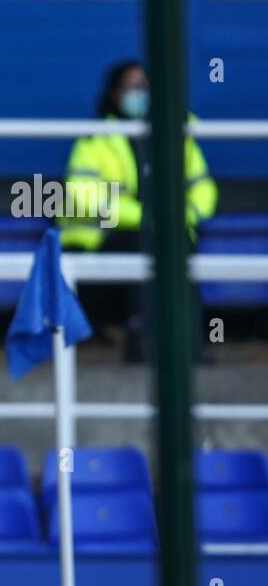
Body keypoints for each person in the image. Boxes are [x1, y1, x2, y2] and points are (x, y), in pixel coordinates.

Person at [60, 60, 217, 361]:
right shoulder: (95, 139)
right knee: (154, 243)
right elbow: (83, 194)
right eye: (131, 85)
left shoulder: (176, 135)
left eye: (144, 85)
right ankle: (145, 340)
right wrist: (147, 218)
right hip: (103, 242)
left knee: (176, 242)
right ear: (114, 93)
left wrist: (184, 215)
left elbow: (202, 187)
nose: (139, 93)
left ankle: (189, 343)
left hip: (166, 233)